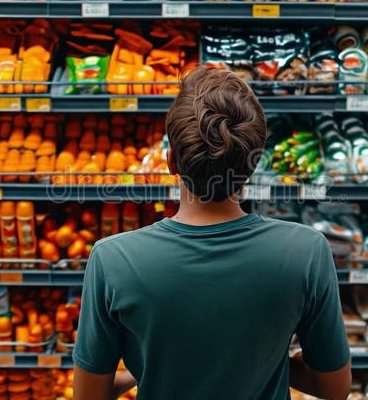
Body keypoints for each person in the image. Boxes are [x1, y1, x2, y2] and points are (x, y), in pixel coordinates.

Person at [73, 67, 351, 400]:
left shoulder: (112, 260)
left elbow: (89, 395)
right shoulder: (306, 252)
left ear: (171, 162)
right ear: (254, 163)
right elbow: (335, 388)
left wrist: (147, 365)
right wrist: (265, 356)